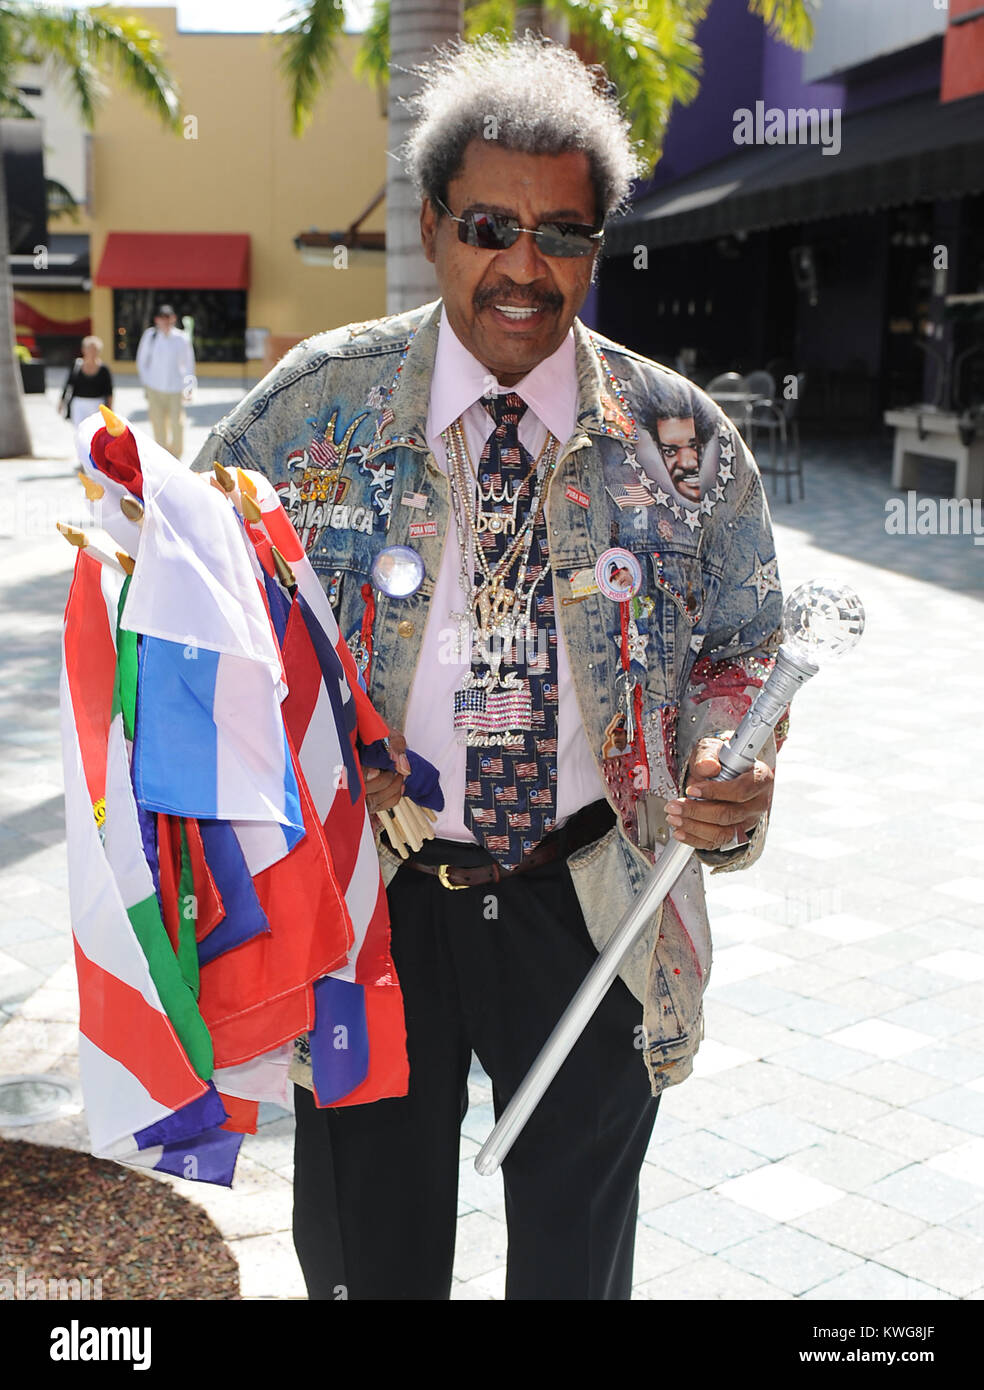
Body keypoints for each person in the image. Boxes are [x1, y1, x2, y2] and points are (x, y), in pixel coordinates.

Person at [192, 36, 784, 1301]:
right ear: (431, 223)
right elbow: (200, 611)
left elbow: (744, 648)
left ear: (597, 244)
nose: (525, 266)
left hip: (592, 901)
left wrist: (733, 760)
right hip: (375, 906)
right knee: (367, 1254)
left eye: (562, 234)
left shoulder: (685, 443)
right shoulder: (314, 408)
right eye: (489, 225)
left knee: (575, 1266)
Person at [135, 304, 196, 458]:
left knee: (177, 424)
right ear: (157, 320)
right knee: (158, 424)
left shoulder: (181, 338)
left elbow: (189, 363)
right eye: (162, 318)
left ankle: (176, 456)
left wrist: (189, 387)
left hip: (175, 388)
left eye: (168, 318)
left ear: (173, 319)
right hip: (154, 387)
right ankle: (162, 457)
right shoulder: (150, 336)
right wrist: (146, 383)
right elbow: (142, 360)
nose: (165, 322)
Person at [61, 336, 113, 427]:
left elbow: (109, 391)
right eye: (89, 349)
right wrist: (62, 402)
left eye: (95, 349)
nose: (92, 352)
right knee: (80, 431)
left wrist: (109, 409)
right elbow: (68, 385)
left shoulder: (104, 370)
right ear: (83, 350)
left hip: (97, 405)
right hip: (78, 404)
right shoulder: (76, 366)